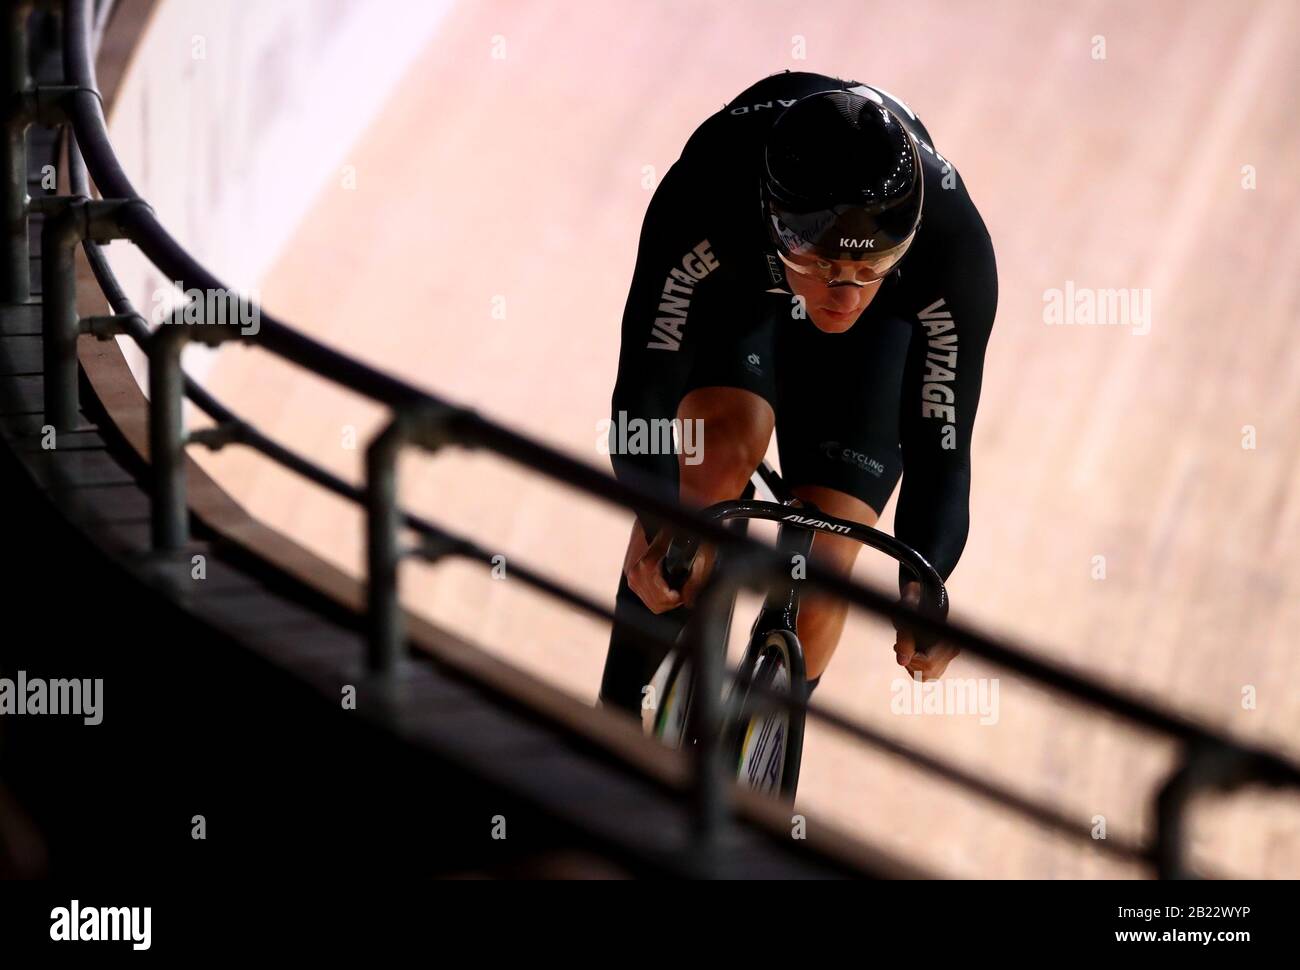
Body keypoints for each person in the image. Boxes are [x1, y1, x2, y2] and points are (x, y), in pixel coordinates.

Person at [600, 71, 997, 717]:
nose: (845, 296)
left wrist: (926, 588)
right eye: (822, 268)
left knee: (825, 558)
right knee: (706, 477)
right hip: (738, 288)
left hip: (875, 337)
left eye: (871, 269)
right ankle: (614, 724)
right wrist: (662, 525)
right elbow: (641, 399)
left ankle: (751, 779)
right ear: (775, 220)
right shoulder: (707, 194)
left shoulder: (952, 245)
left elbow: (940, 453)